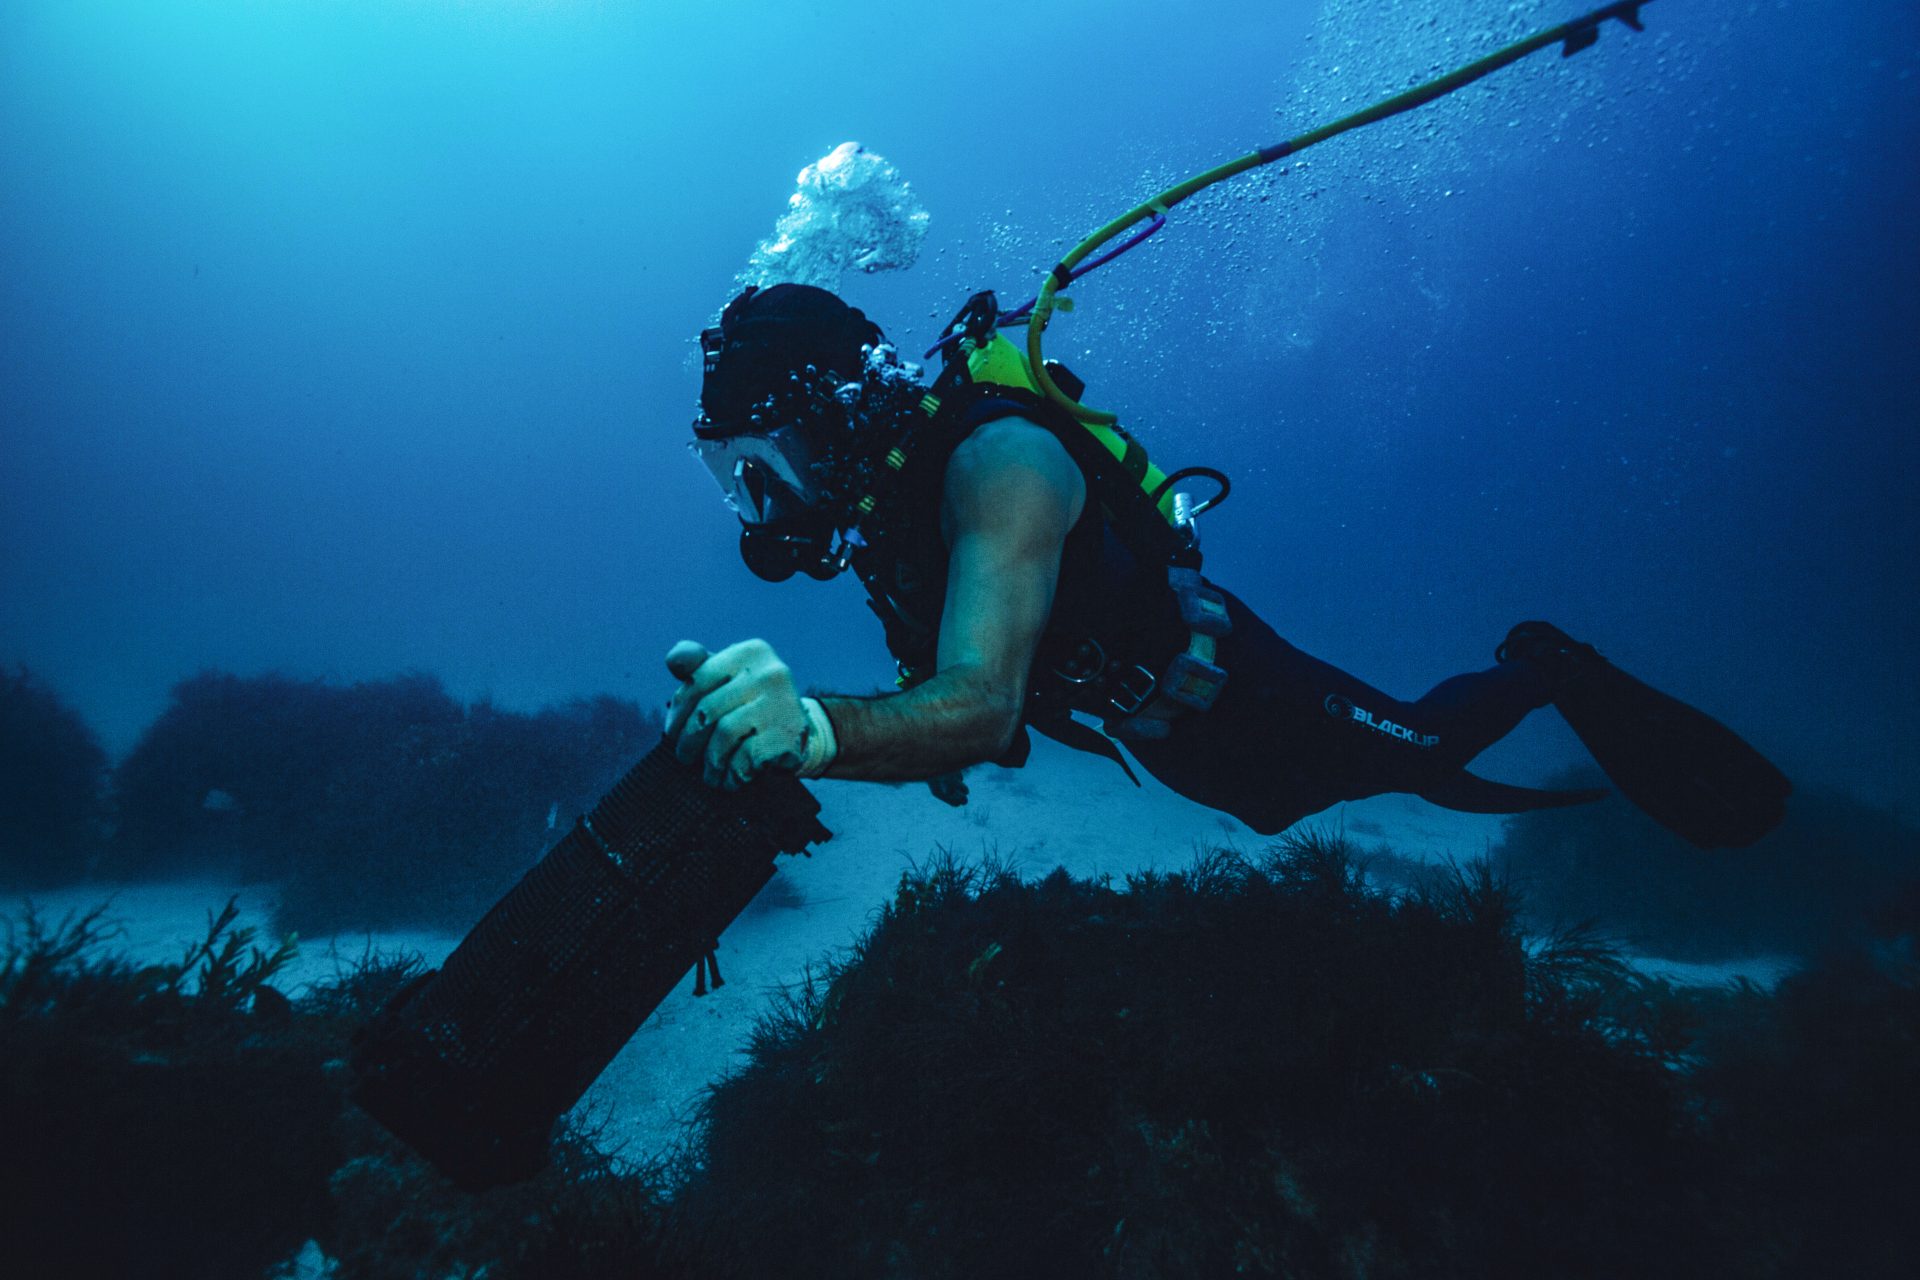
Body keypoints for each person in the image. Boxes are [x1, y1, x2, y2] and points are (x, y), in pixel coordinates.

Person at [665, 283, 1788, 849]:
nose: (755, 512)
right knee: (1283, 806)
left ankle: (1547, 663)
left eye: (756, 470)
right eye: (732, 481)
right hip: (1169, 736)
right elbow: (972, 715)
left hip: (1232, 680)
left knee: (1423, 748)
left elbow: (978, 704)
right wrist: (864, 751)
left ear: (824, 413)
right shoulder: (886, 516)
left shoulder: (998, 463)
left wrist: (816, 730)